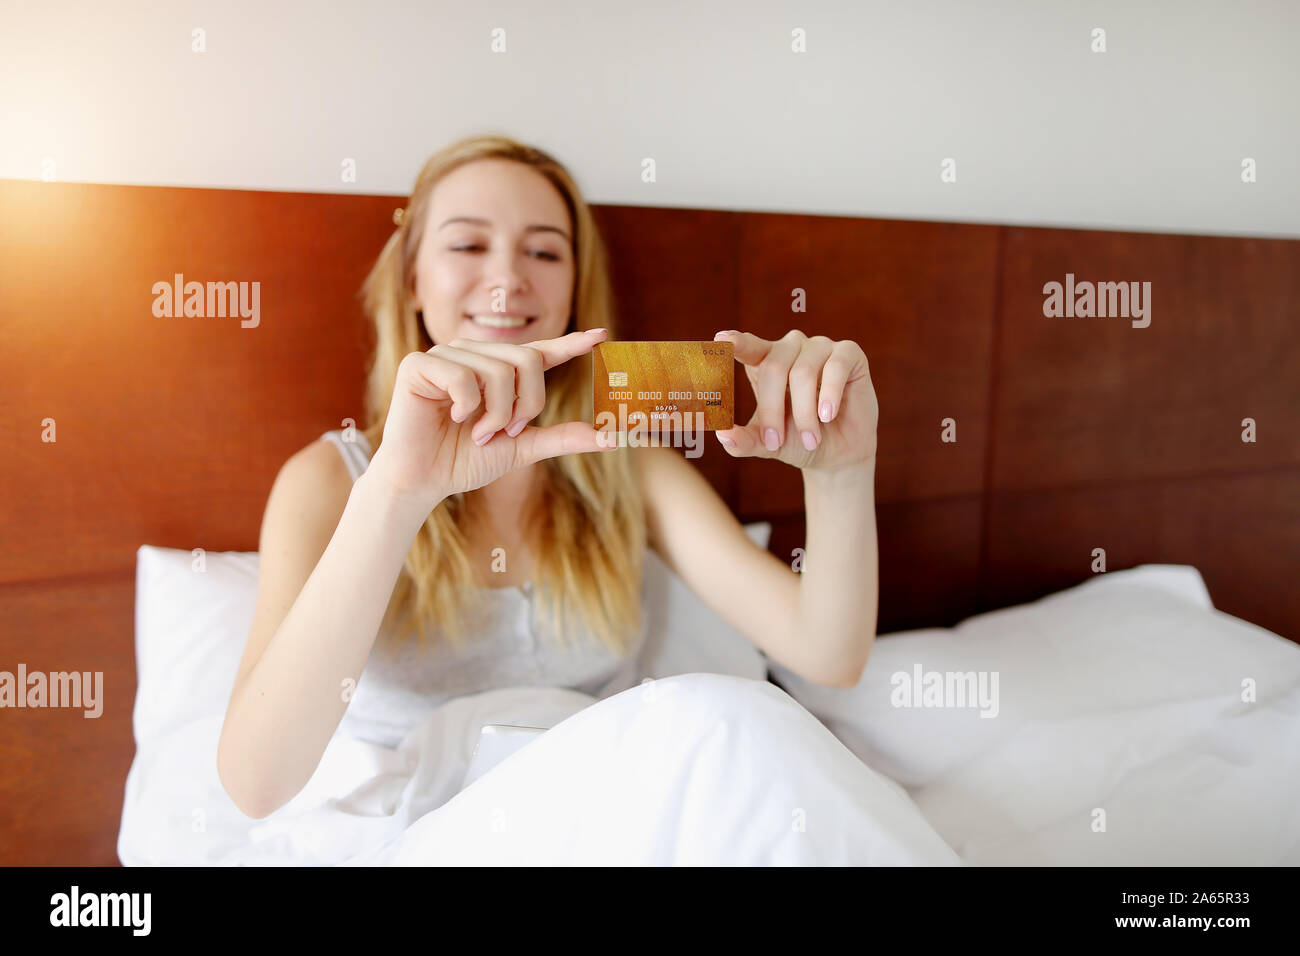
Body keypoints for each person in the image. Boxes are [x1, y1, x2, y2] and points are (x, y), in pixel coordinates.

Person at [216, 135, 881, 822]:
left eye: (543, 250)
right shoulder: (328, 482)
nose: (508, 280)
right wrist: (398, 493)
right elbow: (254, 785)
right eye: (468, 246)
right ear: (412, 279)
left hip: (605, 819)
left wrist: (841, 473)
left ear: (573, 291)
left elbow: (828, 655)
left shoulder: (631, 467)